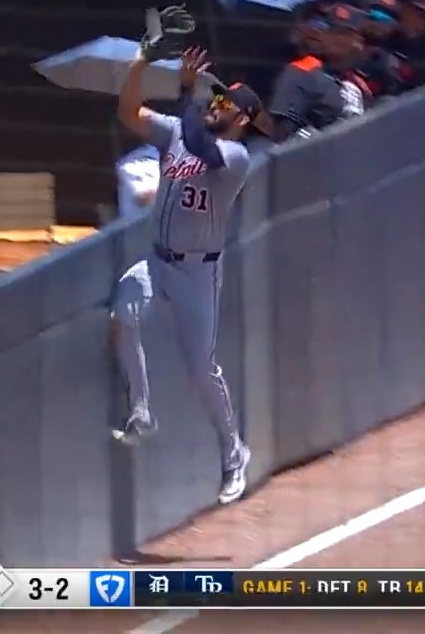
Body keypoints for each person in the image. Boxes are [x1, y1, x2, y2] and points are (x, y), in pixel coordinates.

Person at [111, 44, 256, 506]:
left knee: (200, 371)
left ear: (242, 118)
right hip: (158, 262)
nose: (217, 103)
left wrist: (187, 90)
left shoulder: (235, 156)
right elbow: (129, 112)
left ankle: (234, 452)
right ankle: (140, 412)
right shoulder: (178, 129)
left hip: (198, 274)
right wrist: (140, 63)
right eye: (217, 97)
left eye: (225, 102)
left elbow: (198, 144)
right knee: (122, 315)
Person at [267, 3, 370, 142]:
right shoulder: (302, 70)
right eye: (334, 31)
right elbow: (284, 131)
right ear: (322, 35)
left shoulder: (357, 80)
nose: (338, 39)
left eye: (346, 33)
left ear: (357, 40)